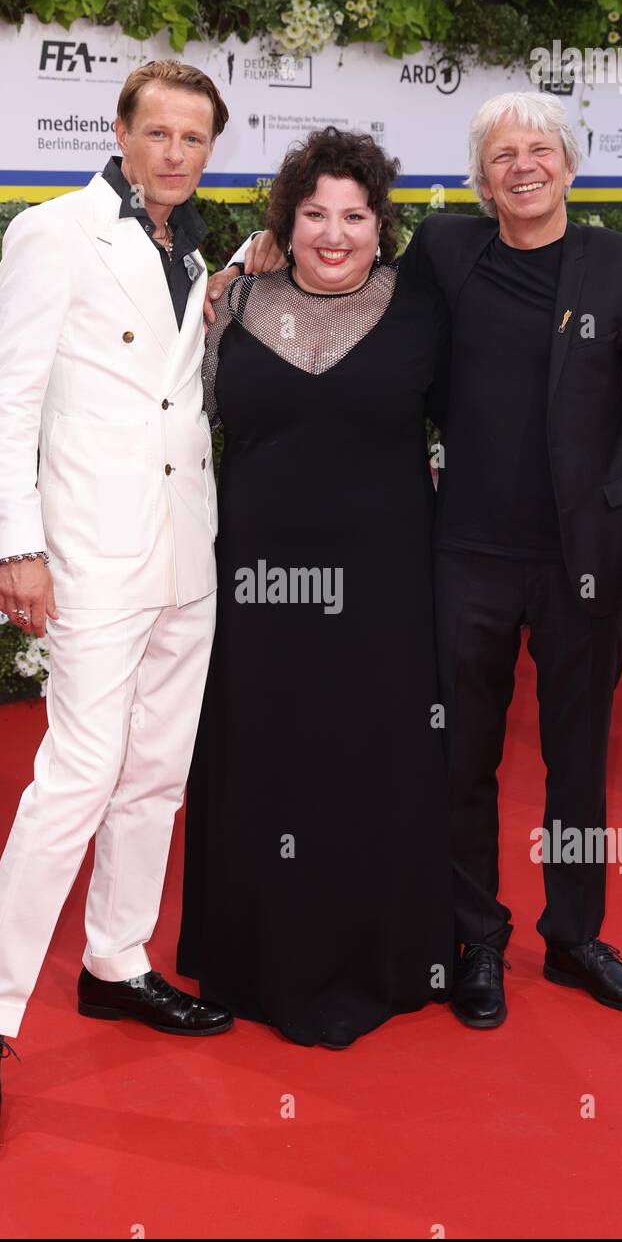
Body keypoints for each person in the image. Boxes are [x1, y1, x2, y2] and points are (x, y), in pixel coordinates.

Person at [219, 91, 622, 1031]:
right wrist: (250, 255)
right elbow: (330, 247)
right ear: (480, 181)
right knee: (461, 759)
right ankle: (475, 939)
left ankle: (573, 937)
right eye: (500, 156)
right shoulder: (442, 253)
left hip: (584, 561)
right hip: (461, 553)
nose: (521, 167)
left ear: (568, 163)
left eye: (538, 149)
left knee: (577, 764)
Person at [0, 61, 234, 1154]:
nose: (175, 154)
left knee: (155, 772)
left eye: (195, 138)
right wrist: (18, 546)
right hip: (91, 558)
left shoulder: (199, 247)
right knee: (76, 776)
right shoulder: (54, 231)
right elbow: (7, 398)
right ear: (120, 130)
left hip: (182, 554)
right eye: (158, 133)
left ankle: (118, 958)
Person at [176, 126, 454, 1048]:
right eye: (313, 215)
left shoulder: (422, 304)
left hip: (383, 591)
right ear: (284, 224)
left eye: (354, 216)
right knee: (265, 753)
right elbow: (185, 420)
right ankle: (258, 955)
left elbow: (467, 425)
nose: (334, 235)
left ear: (381, 226)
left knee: (370, 758)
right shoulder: (231, 300)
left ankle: (379, 953)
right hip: (257, 587)